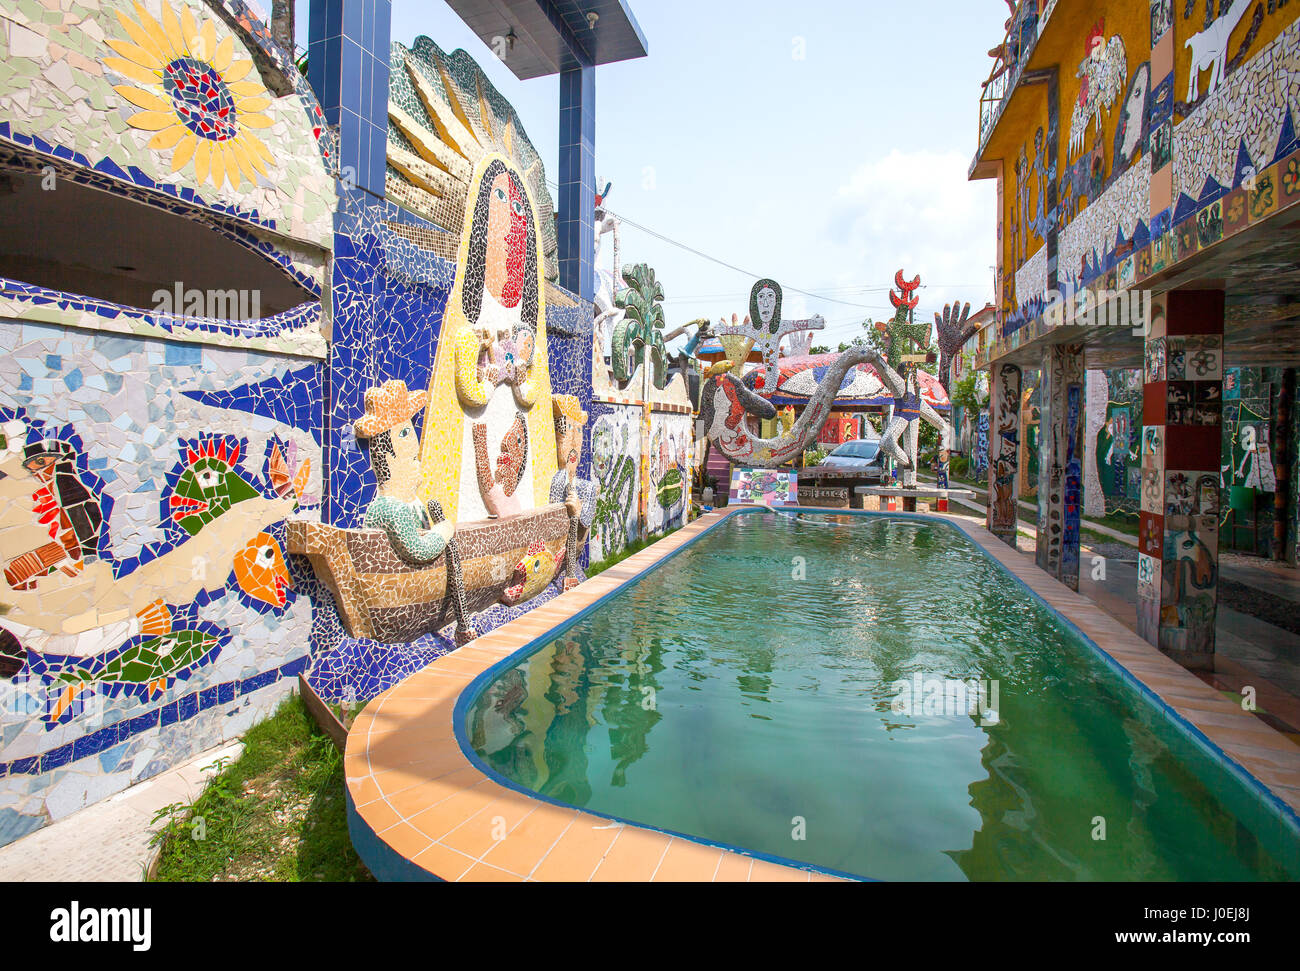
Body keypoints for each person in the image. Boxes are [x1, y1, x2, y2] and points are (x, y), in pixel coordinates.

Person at [354, 379, 476, 643]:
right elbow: (417, 550)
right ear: (389, 455)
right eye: (406, 435)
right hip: (398, 592)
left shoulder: (411, 504)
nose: (416, 455)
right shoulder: (391, 509)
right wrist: (443, 531)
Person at [548, 396, 598, 591]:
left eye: (578, 430)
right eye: (569, 429)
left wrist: (578, 510)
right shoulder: (557, 480)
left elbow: (586, 520)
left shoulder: (586, 488)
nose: (575, 440)